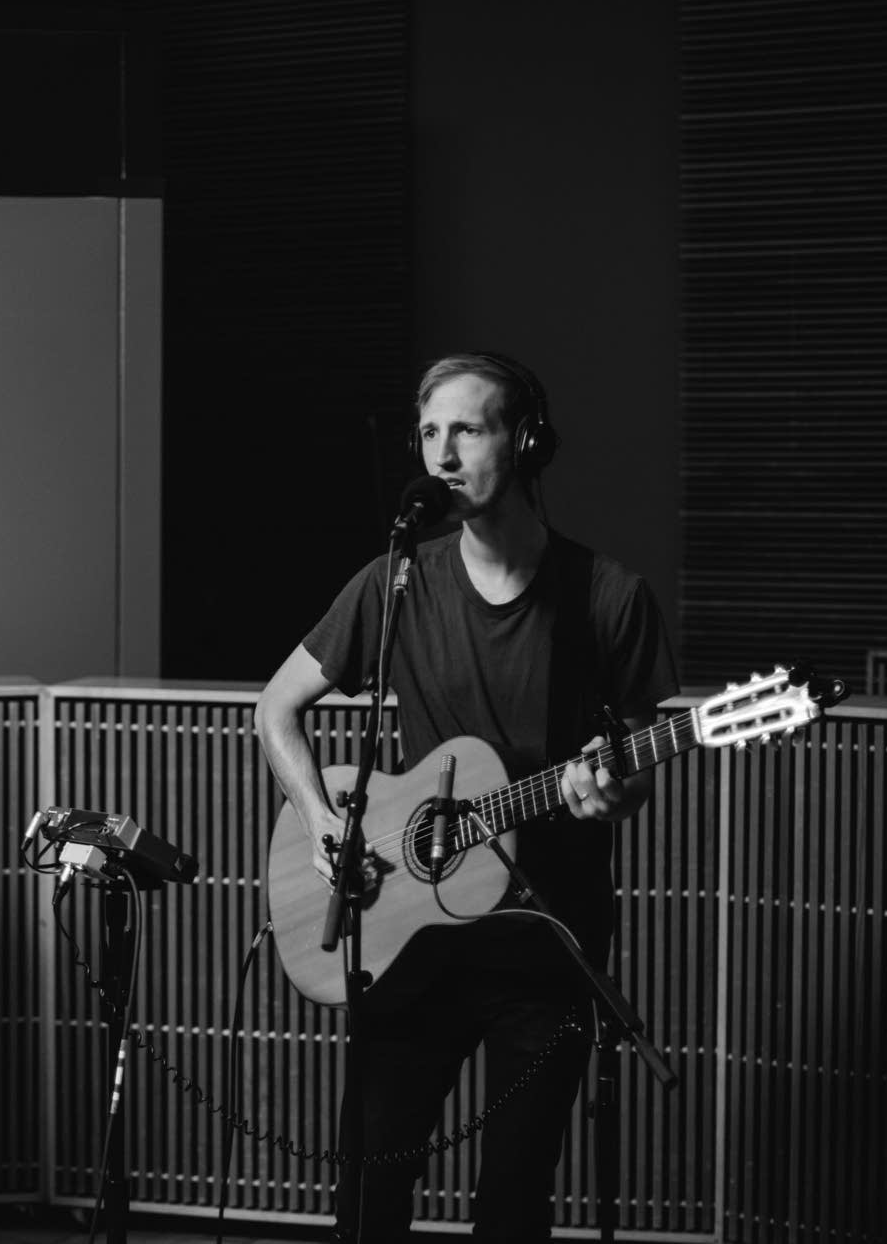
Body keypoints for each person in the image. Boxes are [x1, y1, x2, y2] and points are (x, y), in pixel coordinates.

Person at [254, 352, 678, 1241]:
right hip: (411, 940)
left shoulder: (608, 597)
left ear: (526, 443)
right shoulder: (395, 581)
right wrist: (328, 824)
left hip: (545, 945)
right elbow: (275, 709)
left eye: (468, 430)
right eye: (430, 432)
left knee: (511, 1207)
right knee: (369, 1194)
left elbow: (633, 761)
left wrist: (613, 790)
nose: (442, 455)